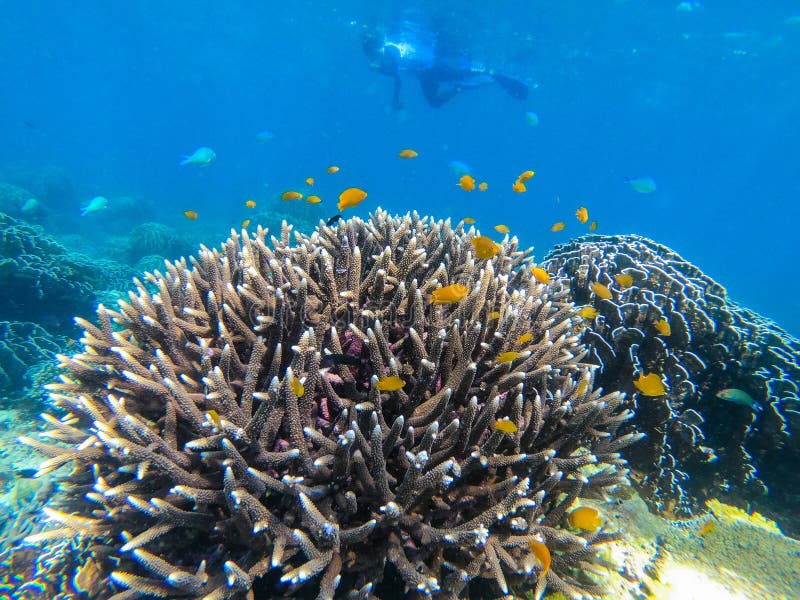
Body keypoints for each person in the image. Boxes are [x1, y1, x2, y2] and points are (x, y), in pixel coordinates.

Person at [363, 18, 528, 109]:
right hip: (425, 74)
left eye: (371, 52)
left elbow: (396, 76)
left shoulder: (389, 50)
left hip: (431, 69)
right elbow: (396, 70)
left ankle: (489, 72)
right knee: (437, 100)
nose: (372, 56)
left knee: (459, 75)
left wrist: (394, 99)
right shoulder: (386, 51)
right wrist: (379, 68)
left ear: (376, 46)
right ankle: (466, 84)